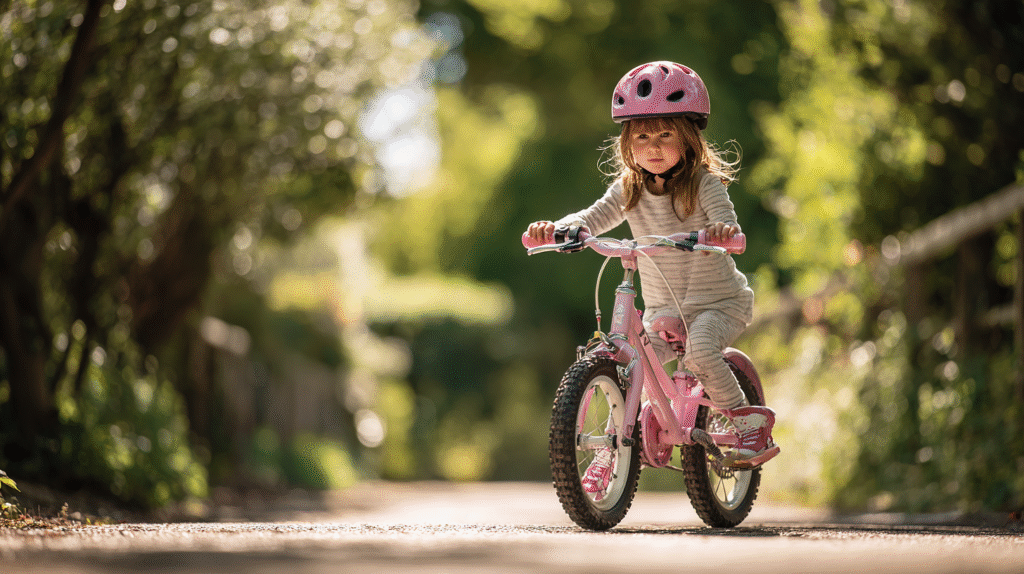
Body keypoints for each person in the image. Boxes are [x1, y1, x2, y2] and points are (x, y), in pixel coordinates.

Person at [526, 61, 779, 473]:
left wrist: (721, 231)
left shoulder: (703, 184)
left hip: (717, 303)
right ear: (628, 142)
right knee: (629, 367)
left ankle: (749, 424)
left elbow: (727, 220)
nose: (654, 147)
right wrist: (562, 229)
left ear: (689, 138)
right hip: (664, 311)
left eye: (666, 135)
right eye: (642, 136)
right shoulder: (629, 187)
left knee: (700, 351)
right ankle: (610, 451)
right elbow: (595, 216)